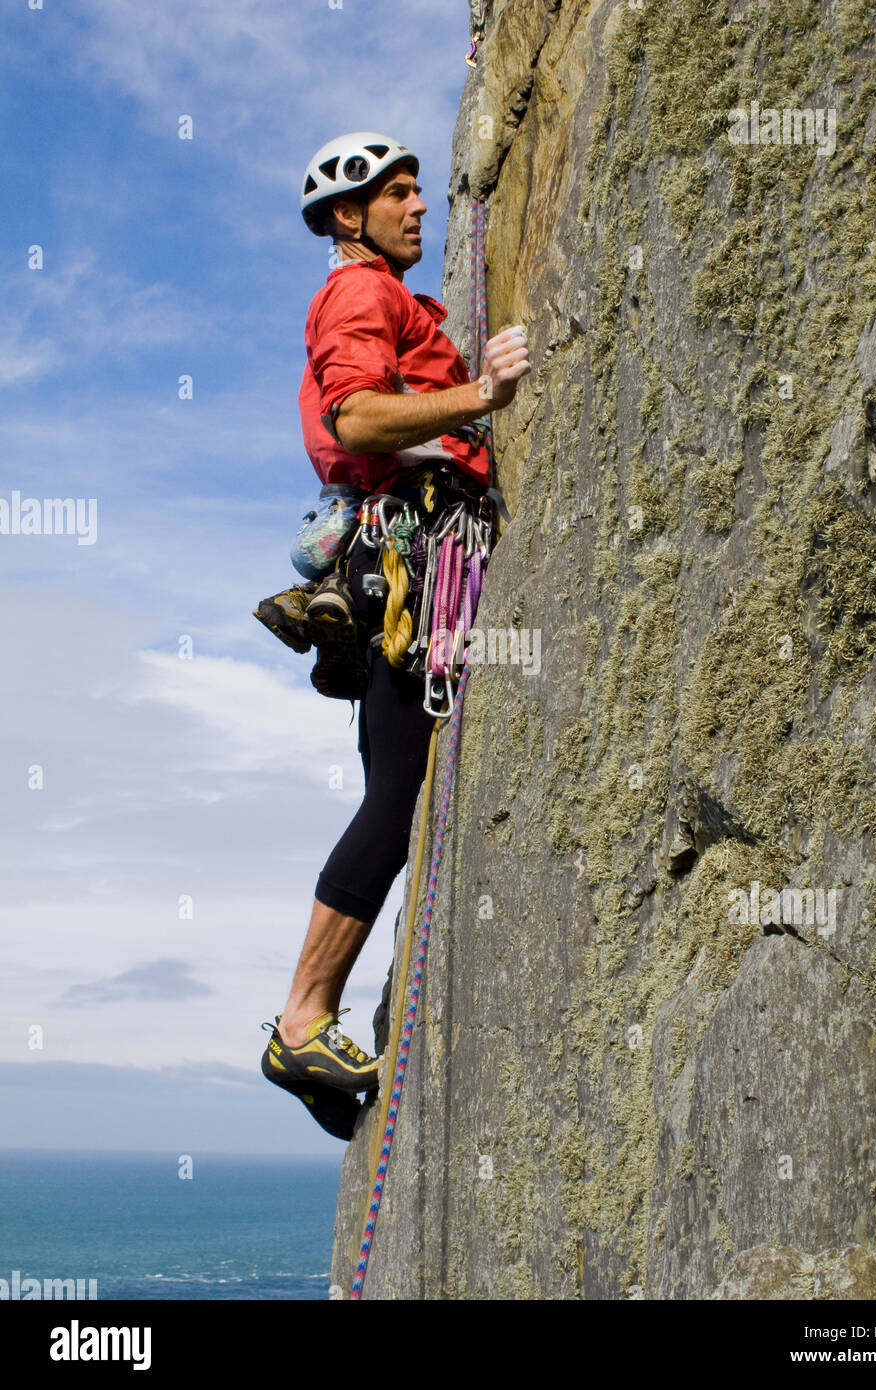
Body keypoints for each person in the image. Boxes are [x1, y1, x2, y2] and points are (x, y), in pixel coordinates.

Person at [261, 132, 531, 1139]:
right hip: (408, 559)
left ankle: (311, 1023)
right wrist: (483, 398)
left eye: (423, 190)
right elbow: (360, 414)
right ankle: (303, 1017)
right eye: (398, 194)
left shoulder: (388, 299)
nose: (420, 208)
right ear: (347, 215)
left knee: (397, 785)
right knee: (396, 791)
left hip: (402, 558)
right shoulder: (359, 296)